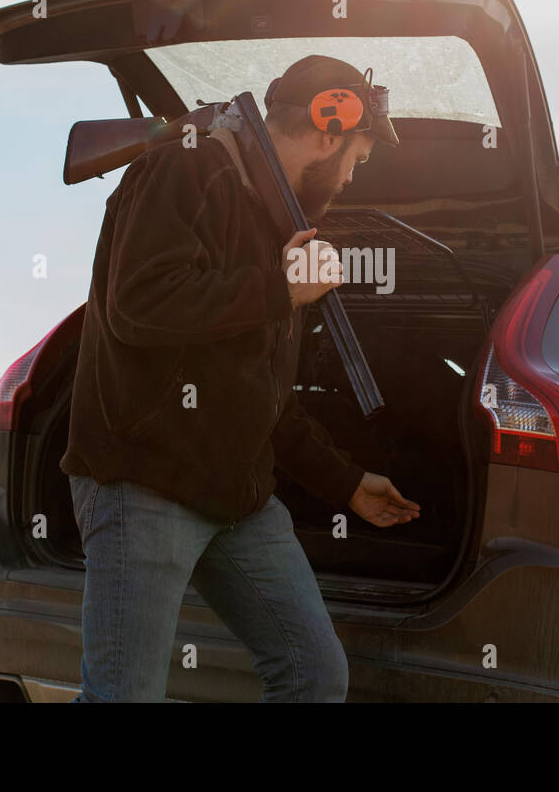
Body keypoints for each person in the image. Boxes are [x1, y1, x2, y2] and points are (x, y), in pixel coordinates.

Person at [60, 54, 420, 702]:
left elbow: (260, 389)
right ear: (328, 126)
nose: (347, 179)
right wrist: (278, 288)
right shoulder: (186, 166)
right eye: (355, 160)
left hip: (236, 500)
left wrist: (345, 482)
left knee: (314, 674)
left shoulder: (275, 217)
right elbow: (139, 303)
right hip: (144, 483)